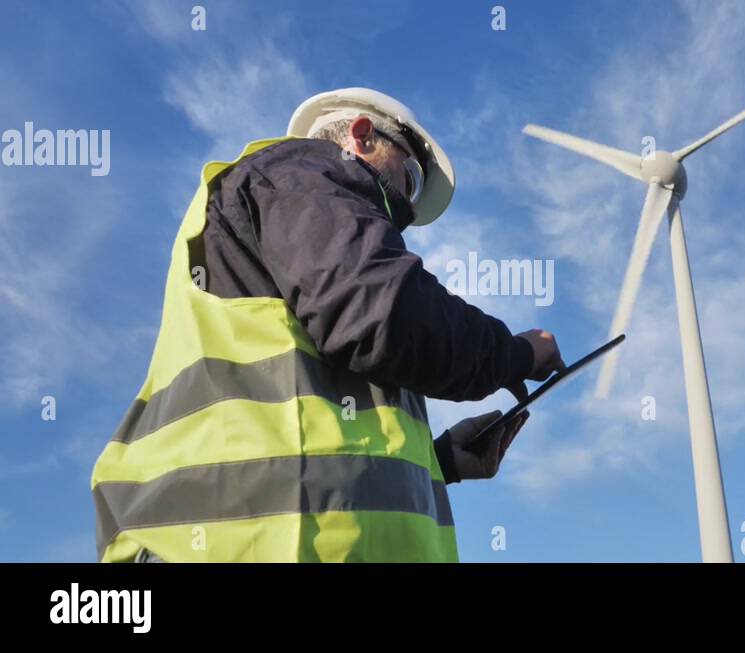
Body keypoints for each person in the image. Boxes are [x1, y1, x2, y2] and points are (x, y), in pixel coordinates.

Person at [91, 88, 564, 562]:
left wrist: (438, 463)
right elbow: (385, 314)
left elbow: (317, 430)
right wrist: (516, 354)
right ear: (361, 136)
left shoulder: (302, 221)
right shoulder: (299, 174)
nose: (409, 210)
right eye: (412, 179)